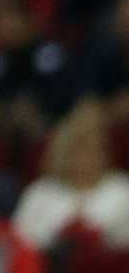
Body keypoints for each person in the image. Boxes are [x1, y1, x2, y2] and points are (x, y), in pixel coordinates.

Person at [12, 100, 129, 250]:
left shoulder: (121, 188)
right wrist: (59, 235)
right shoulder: (40, 192)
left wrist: (97, 235)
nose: (83, 158)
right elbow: (19, 240)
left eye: (90, 150)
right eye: (76, 150)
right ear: (61, 154)